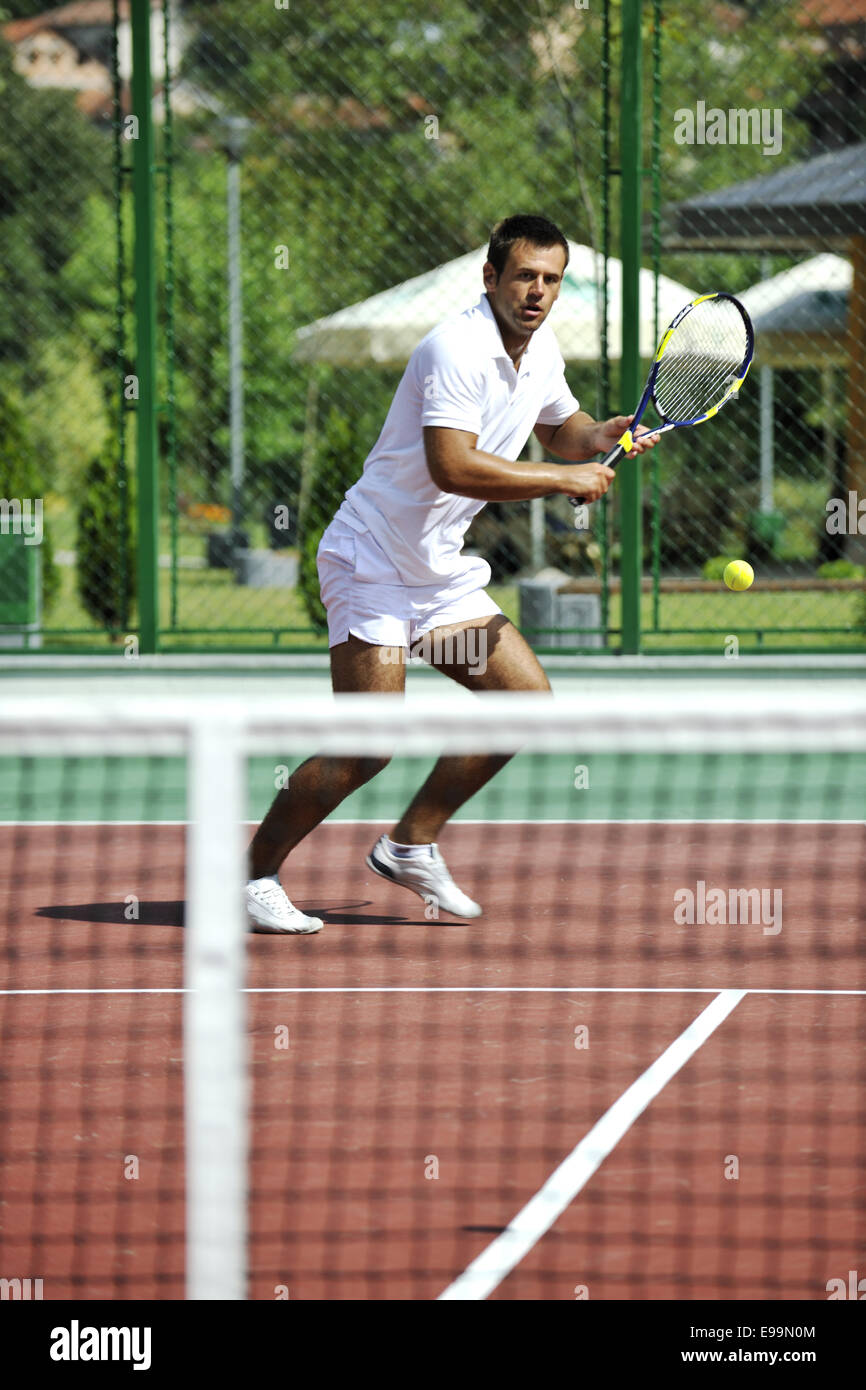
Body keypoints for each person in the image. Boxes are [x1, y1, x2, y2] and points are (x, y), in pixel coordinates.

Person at [246, 214, 659, 933]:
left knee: (524, 702)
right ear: (491, 277)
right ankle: (252, 878)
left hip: (436, 575)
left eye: (551, 279)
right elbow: (454, 466)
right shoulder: (455, 349)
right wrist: (561, 483)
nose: (538, 291)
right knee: (368, 745)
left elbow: (561, 428)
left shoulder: (539, 349)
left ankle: (410, 843)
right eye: (525, 275)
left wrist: (600, 435)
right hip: (371, 557)